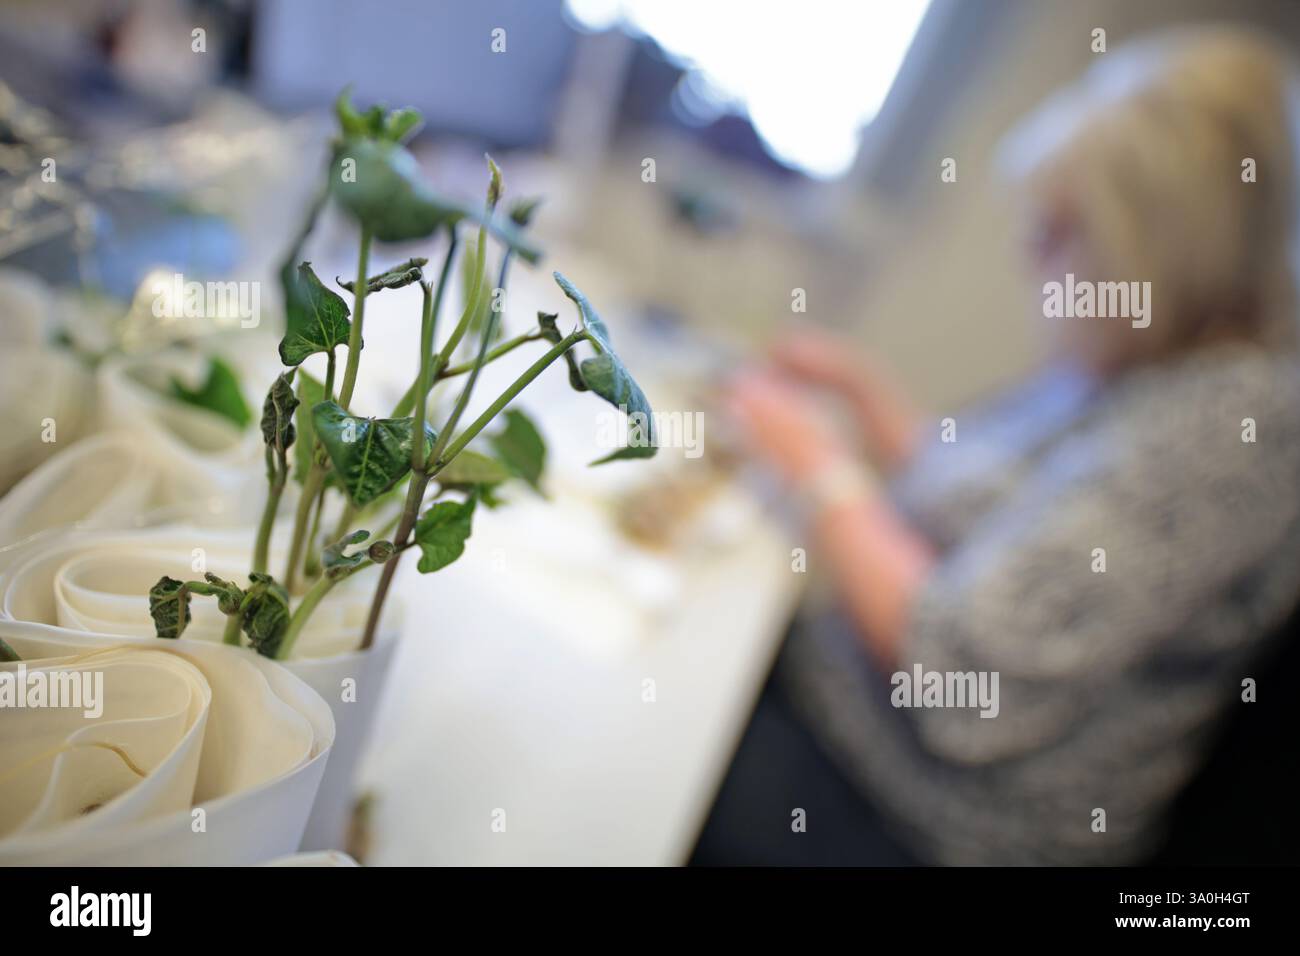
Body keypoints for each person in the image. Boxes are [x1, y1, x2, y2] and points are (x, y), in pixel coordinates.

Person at [694, 26, 1300, 865]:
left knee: (632, 735)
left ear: (1154, 255)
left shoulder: (1234, 429)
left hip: (919, 825)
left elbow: (960, 679)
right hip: (840, 719)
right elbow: (1007, 533)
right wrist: (868, 405)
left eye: (1060, 233)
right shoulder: (1141, 368)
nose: (1030, 256)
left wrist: (817, 468)